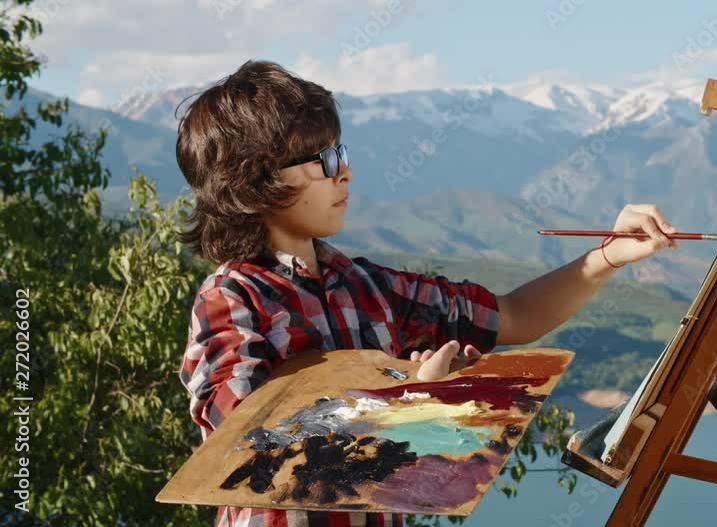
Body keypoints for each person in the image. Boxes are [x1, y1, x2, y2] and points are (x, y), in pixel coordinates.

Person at [176, 60, 678, 527]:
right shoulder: (231, 300)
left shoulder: (369, 288)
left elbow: (515, 315)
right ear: (254, 181)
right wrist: (411, 400)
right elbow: (249, 446)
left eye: (341, 152)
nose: (344, 171)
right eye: (322, 159)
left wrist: (607, 255)